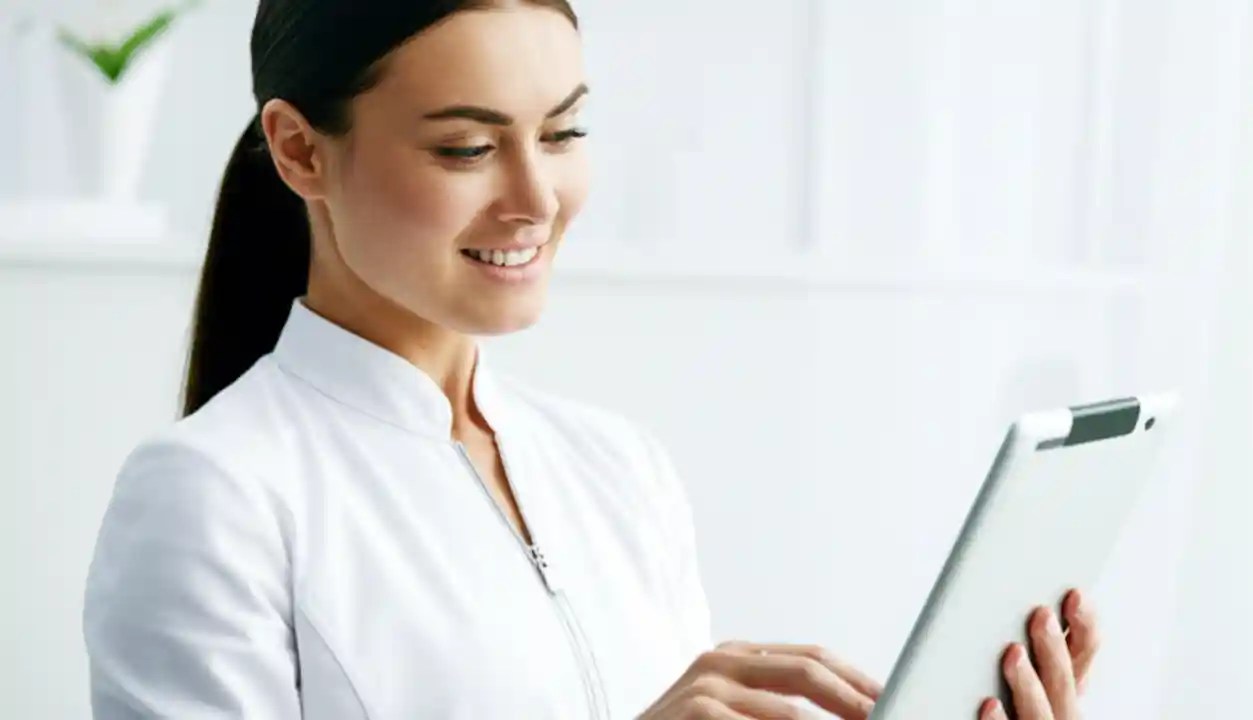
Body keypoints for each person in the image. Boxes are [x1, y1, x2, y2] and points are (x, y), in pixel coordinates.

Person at [81, 2, 1101, 718]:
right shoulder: (214, 492)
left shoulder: (618, 467)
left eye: (562, 131)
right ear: (301, 150)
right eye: (467, 149)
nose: (536, 197)